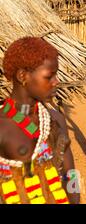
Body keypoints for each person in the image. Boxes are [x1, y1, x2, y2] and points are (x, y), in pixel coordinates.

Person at [0, 37, 80, 204]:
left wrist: (76, 200)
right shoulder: (3, 126)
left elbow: (70, 173)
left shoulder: (55, 120)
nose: (56, 82)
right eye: (49, 77)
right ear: (23, 76)